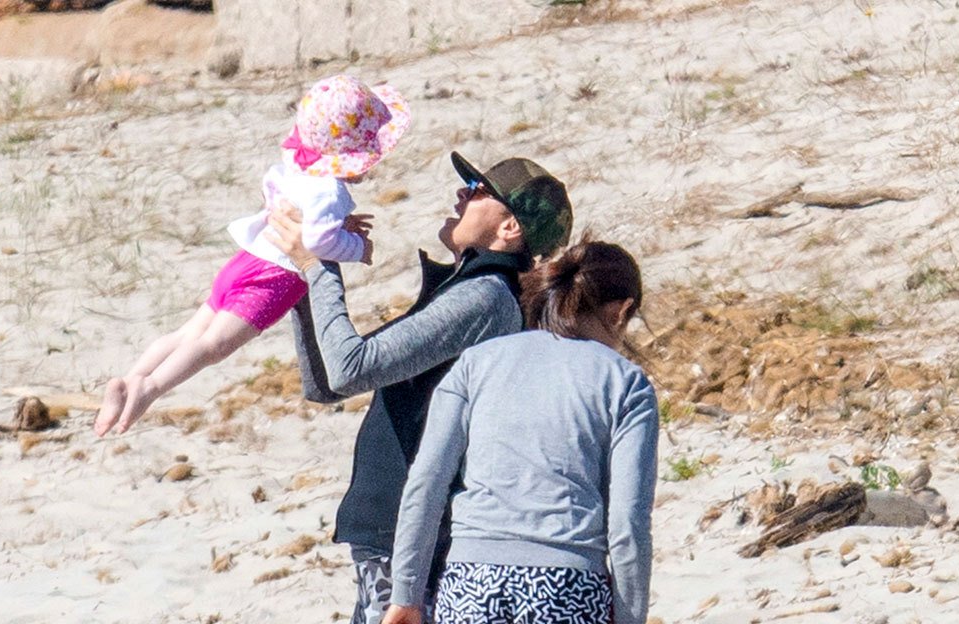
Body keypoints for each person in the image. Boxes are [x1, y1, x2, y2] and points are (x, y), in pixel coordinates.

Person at [266, 152, 574, 624]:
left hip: (415, 537)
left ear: (509, 227)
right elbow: (327, 383)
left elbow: (349, 368)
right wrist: (305, 269)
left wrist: (318, 261)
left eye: (476, 191)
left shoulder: (485, 294)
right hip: (394, 528)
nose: (460, 193)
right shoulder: (465, 288)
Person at [93, 74, 410, 436]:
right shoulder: (331, 191)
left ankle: (131, 378)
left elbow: (298, 210)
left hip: (247, 259)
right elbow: (319, 242)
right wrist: (358, 249)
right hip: (275, 277)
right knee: (213, 345)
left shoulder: (299, 169)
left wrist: (341, 225)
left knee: (188, 332)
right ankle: (149, 389)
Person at [382, 239, 659, 624]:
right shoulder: (626, 381)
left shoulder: (477, 362)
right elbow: (627, 522)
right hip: (569, 586)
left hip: (471, 581)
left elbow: (426, 482)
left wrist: (406, 593)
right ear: (621, 310)